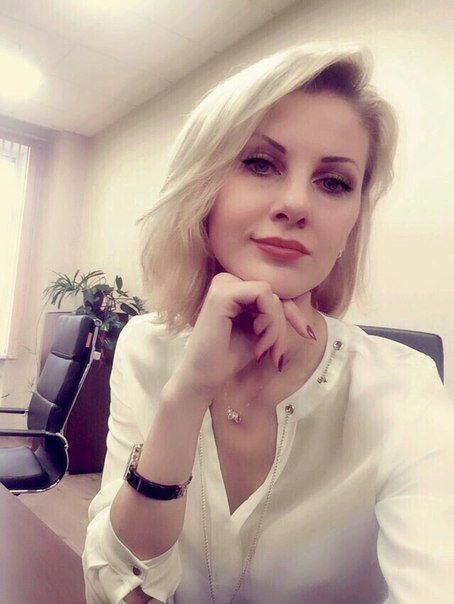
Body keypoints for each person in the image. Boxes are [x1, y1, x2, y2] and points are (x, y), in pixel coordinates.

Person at [82, 42, 454, 604]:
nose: (296, 203)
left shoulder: (406, 389)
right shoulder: (145, 347)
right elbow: (115, 585)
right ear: (203, 187)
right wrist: (186, 395)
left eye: (334, 183)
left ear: (352, 222)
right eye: (260, 163)